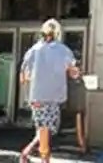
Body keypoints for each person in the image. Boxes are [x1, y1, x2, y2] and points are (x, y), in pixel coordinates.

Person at [19, 19, 81, 163]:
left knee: (43, 129)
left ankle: (27, 153)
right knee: (46, 130)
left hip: (37, 97)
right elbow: (73, 72)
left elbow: (24, 76)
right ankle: (43, 159)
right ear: (58, 33)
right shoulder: (64, 51)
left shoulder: (33, 50)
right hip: (54, 96)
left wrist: (33, 82)